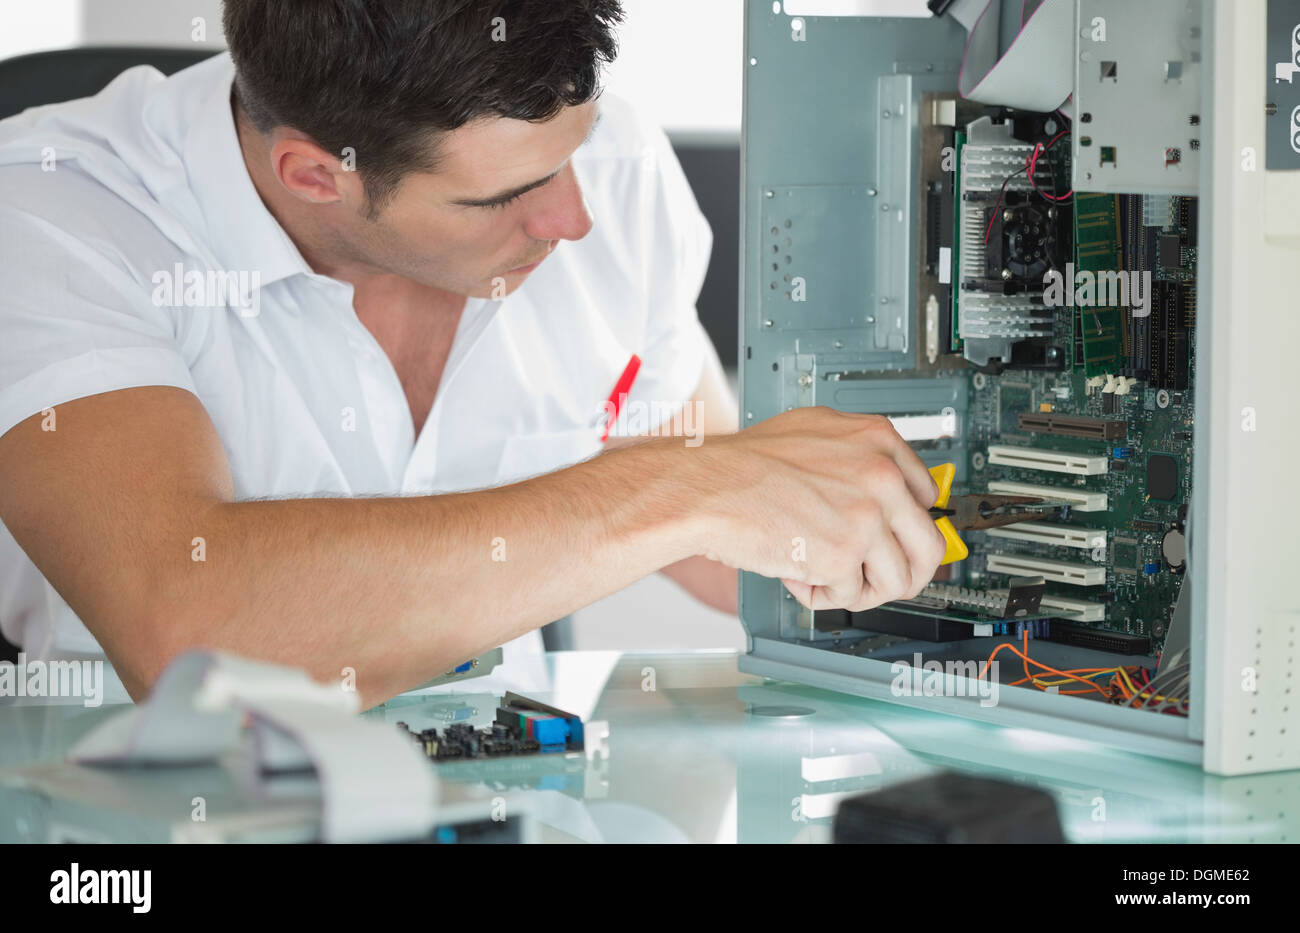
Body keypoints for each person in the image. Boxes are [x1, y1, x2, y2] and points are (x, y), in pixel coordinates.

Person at [0, 0, 944, 709]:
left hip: (518, 793)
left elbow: (722, 533)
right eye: (501, 198)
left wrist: (882, 528)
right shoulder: (53, 217)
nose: (572, 218)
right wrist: (687, 489)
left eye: (575, 154)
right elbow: (187, 632)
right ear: (317, 176)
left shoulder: (611, 173)